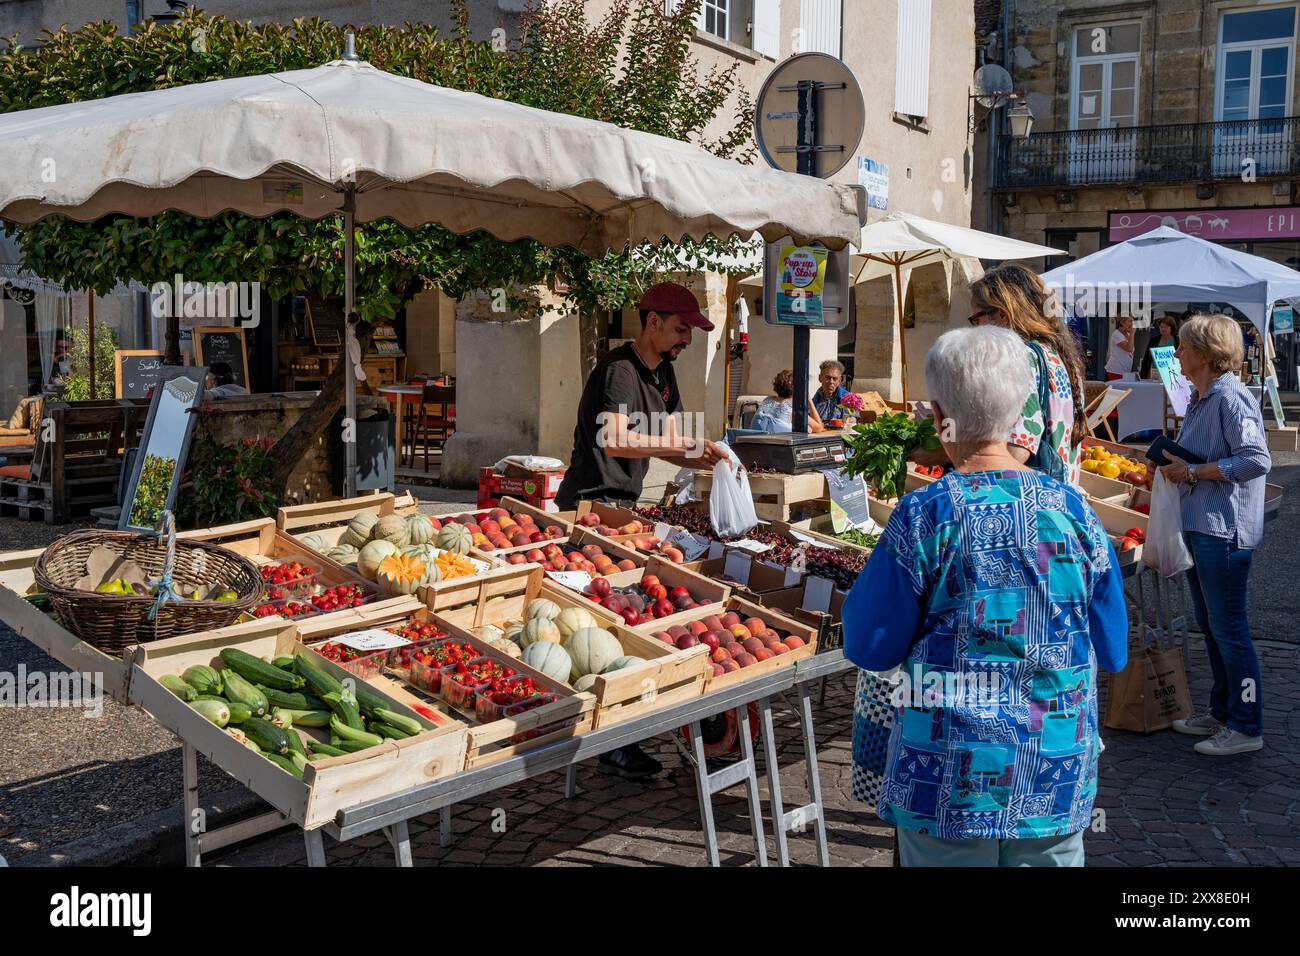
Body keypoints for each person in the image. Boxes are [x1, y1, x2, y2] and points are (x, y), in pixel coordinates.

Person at [844, 326, 1127, 866]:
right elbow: (1112, 649)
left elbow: (869, 645)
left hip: (946, 779)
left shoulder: (924, 515)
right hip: (1052, 772)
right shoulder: (1075, 513)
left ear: (936, 412)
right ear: (1021, 408)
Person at [555, 281, 726, 779]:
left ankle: (637, 725)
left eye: (690, 331)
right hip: (590, 508)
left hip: (625, 508)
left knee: (637, 618)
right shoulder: (620, 372)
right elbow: (613, 437)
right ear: (652, 322)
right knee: (614, 623)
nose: (686, 340)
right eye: (679, 329)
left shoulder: (664, 372)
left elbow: (668, 438)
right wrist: (686, 447)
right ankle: (609, 740)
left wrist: (705, 453)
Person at [1162, 314, 1270, 756]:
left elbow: (1256, 459)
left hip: (1224, 529)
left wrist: (1193, 471)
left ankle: (1246, 724)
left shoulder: (1230, 398)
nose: (1177, 355)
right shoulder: (1204, 397)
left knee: (1229, 629)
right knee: (1211, 625)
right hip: (1203, 523)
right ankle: (1223, 711)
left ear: (1204, 355)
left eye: (1183, 348)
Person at [969, 264, 1088, 485]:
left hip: (1025, 505)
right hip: (1057, 502)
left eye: (976, 319)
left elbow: (1017, 450)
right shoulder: (1057, 355)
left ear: (1002, 315)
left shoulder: (1021, 358)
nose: (974, 329)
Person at [752, 369, 826, 434]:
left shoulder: (767, 400)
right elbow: (819, 428)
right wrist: (808, 399)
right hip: (779, 447)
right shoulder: (791, 406)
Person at [1140, 314, 1179, 380]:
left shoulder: (1177, 341)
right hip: (1153, 373)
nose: (1163, 329)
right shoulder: (1154, 340)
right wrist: (1143, 374)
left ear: (1171, 328)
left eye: (1166, 327)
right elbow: (1146, 358)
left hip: (1171, 375)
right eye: (1161, 327)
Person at [810, 359, 848, 424]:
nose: (831, 382)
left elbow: (852, 423)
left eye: (835, 378)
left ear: (840, 380)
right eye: (827, 377)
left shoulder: (848, 400)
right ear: (820, 378)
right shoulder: (813, 401)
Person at [1105, 315, 1136, 380]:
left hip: (1125, 371)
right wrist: (1132, 333)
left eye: (1133, 321)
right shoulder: (1116, 334)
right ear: (1122, 322)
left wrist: (1131, 334)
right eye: (1130, 321)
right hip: (1116, 370)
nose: (1132, 324)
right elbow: (1129, 348)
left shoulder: (1127, 334)